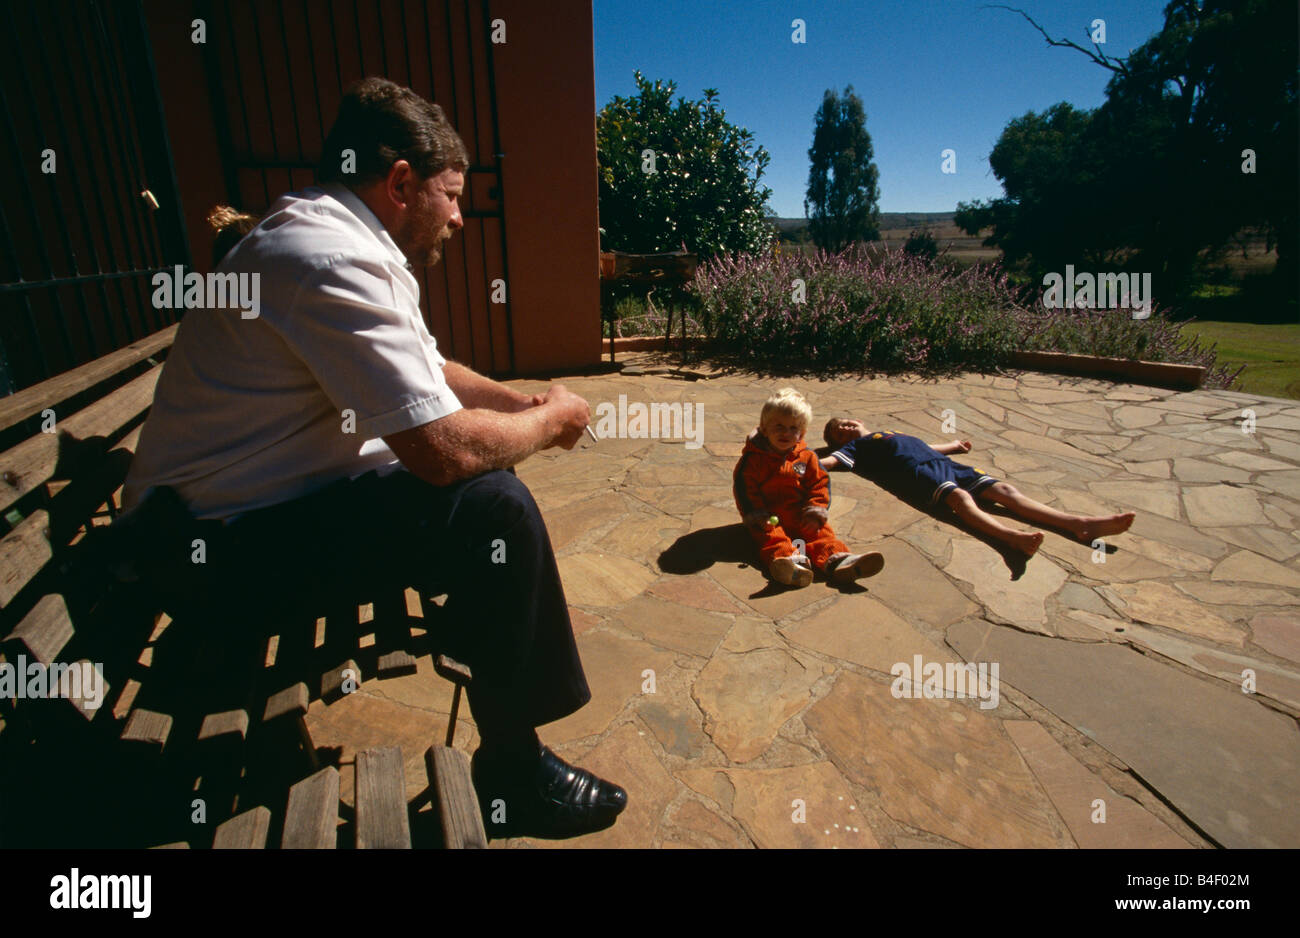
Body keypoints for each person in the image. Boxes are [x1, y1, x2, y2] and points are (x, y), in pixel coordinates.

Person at [120, 77, 625, 840]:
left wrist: (516, 403)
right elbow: (439, 450)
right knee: (494, 503)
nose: (459, 215)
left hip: (229, 524)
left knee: (491, 480)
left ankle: (493, 683)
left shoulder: (335, 237)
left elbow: (430, 366)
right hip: (211, 562)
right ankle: (516, 776)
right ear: (399, 183)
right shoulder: (330, 259)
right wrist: (550, 423)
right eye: (451, 194)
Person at [820, 418, 1136, 556]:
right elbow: (831, 462)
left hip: (945, 463)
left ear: (858, 420)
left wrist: (953, 445)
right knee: (958, 499)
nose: (845, 429)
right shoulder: (856, 450)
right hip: (917, 475)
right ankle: (1009, 537)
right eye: (839, 432)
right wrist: (803, 465)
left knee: (1006, 492)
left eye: (846, 423)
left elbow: (922, 445)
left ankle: (1079, 524)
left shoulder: (888, 433)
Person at [733, 389, 884, 588]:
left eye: (793, 428)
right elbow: (745, 489)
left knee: (820, 532)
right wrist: (756, 514)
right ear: (764, 428)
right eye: (778, 426)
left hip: (799, 512)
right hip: (767, 515)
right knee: (772, 537)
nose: (786, 433)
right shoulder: (753, 460)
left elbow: (818, 484)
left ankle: (838, 560)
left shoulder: (807, 458)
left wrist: (815, 509)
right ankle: (788, 563)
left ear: (802, 433)